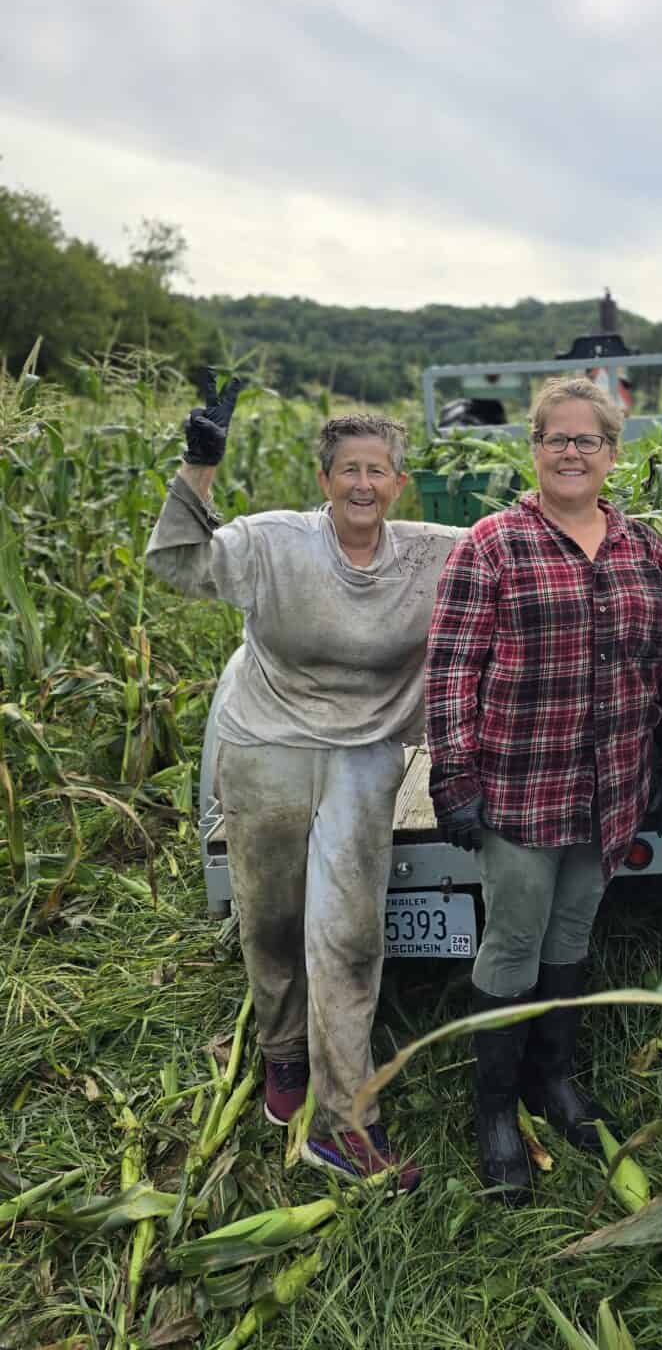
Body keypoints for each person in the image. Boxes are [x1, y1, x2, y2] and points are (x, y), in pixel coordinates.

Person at [146, 378, 462, 1184]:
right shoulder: (272, 543)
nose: (363, 483)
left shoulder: (432, 552)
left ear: (399, 481)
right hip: (266, 747)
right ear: (324, 481)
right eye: (348, 469)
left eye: (378, 470)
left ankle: (344, 1121)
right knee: (273, 917)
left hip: (364, 752)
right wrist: (199, 467)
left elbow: (521, 552)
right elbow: (178, 564)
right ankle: (282, 1050)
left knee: (349, 934)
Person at [425, 377, 662, 1204]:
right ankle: (496, 1110)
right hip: (521, 785)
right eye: (557, 439)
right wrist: (454, 776)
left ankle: (557, 1079)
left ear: (614, 455)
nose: (572, 453)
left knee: (572, 933)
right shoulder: (492, 544)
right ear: (534, 449)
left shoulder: (642, 548)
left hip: (611, 785)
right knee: (513, 940)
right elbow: (450, 670)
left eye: (589, 441)